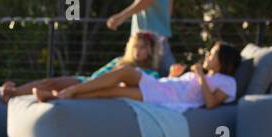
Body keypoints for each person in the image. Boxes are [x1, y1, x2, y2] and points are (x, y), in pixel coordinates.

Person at [44, 41, 239, 112]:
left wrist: (200, 77)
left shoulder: (228, 82)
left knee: (115, 89)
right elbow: (182, 86)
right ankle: (67, 93)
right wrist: (174, 75)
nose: (208, 56)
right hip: (164, 87)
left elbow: (211, 103)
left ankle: (65, 94)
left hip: (166, 97)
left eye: (213, 54)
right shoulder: (203, 74)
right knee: (122, 77)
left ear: (224, 60)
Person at [0, 30, 160, 105]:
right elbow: (98, 75)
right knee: (51, 81)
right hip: (87, 81)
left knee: (65, 89)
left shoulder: (151, 74)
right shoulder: (120, 61)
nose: (138, 51)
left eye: (143, 48)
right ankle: (14, 92)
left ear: (151, 51)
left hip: (98, 90)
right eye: (135, 47)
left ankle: (52, 96)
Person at [107, 0, 176, 73]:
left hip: (148, 35)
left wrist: (121, 17)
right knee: (167, 76)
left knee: (168, 76)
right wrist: (164, 23)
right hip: (157, 32)